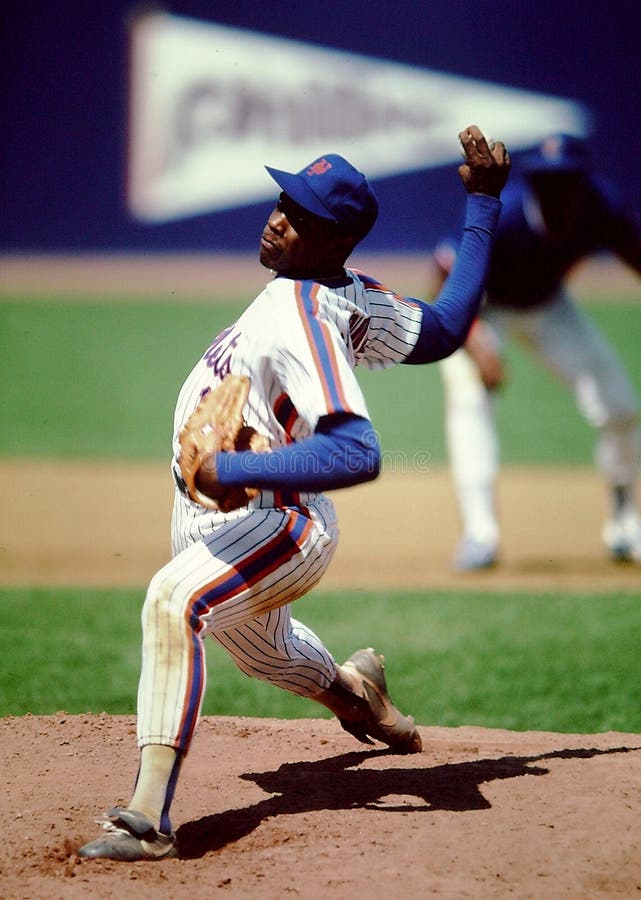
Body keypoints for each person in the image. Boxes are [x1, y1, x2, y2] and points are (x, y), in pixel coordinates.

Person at [77, 125, 510, 861]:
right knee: (266, 657)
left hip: (278, 522)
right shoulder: (347, 296)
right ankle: (358, 696)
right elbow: (439, 330)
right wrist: (482, 204)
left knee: (172, 602)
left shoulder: (299, 313)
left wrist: (230, 472)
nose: (278, 216)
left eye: (300, 215)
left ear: (333, 238)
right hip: (222, 523)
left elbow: (357, 450)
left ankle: (146, 818)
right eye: (281, 200)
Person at [433, 133, 641, 572]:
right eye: (546, 182)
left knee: (620, 405)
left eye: (565, 181)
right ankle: (480, 535)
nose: (556, 191)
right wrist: (472, 340)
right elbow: (442, 281)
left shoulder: (601, 207)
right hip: (482, 309)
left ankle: (625, 523)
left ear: (583, 183)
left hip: (548, 307)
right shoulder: (504, 217)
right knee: (470, 397)